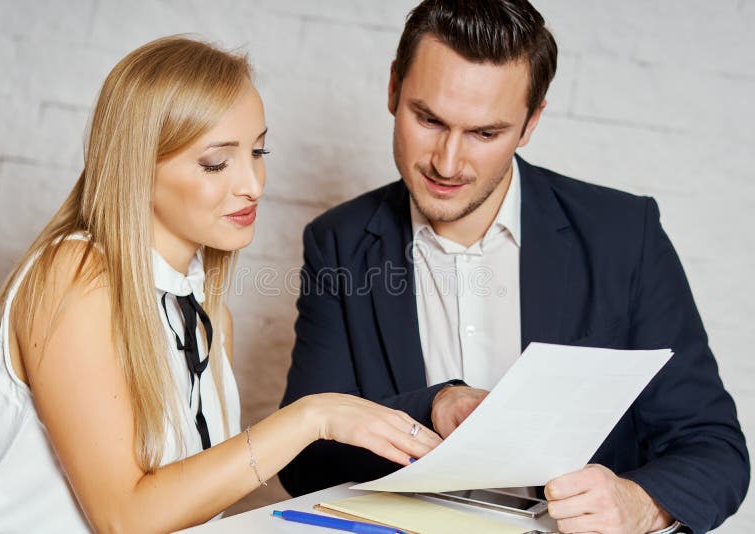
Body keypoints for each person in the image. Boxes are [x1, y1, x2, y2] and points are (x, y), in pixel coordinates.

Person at [279, 1, 749, 533]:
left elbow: (716, 449)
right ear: (392, 90)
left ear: (531, 122)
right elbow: (303, 459)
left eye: (485, 133)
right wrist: (434, 406)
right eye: (428, 119)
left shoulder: (624, 235)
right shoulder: (338, 242)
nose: (448, 163)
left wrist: (641, 503)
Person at [0, 36, 441, 533]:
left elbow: (195, 506)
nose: (252, 183)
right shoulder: (75, 274)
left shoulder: (208, 316)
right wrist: (310, 417)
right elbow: (126, 520)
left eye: (258, 151)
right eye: (216, 163)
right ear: (137, 168)